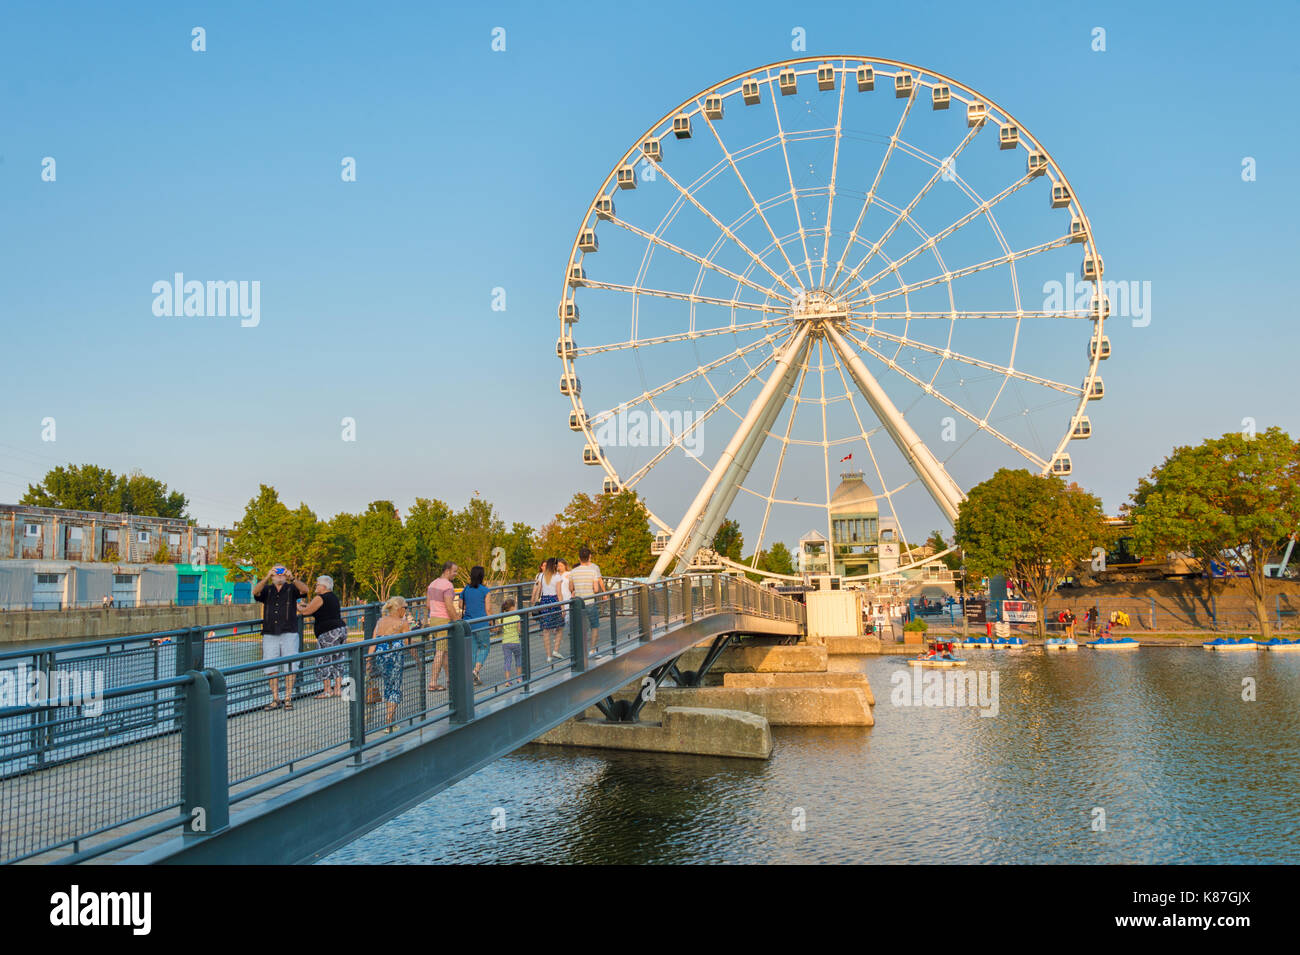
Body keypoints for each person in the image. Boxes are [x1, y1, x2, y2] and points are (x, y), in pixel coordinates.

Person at [253, 564, 309, 710]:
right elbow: (255, 592)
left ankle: (288, 698)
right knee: (270, 665)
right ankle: (275, 698)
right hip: (270, 632)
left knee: (291, 664)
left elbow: (305, 590)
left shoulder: (291, 588)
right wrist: (266, 576)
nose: (279, 575)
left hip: (289, 632)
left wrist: (293, 578)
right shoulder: (267, 589)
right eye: (276, 573)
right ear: (272, 576)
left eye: (281, 573)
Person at [369, 595, 419, 731]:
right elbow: (410, 644)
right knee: (395, 687)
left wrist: (368, 661)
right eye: (406, 607)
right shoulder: (402, 623)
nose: (407, 611)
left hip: (381, 658)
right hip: (395, 658)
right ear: (399, 608)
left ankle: (391, 720)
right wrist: (418, 661)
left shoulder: (380, 621)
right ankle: (389, 722)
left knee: (387, 685)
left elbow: (373, 642)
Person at [298, 575, 348, 697]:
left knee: (324, 660)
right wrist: (306, 605)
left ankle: (327, 691)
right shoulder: (333, 597)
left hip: (328, 632)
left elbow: (306, 612)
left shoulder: (320, 597)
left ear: (323, 586)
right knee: (337, 659)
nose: (315, 586)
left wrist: (295, 605)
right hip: (340, 630)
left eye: (317, 584)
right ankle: (337, 689)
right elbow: (317, 608)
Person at [426, 562, 460, 691]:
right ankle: (433, 682)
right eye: (454, 571)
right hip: (443, 620)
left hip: (433, 619)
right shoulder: (448, 586)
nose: (455, 574)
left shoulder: (432, 584)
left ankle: (450, 679)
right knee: (440, 652)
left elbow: (428, 605)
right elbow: (449, 605)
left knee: (444, 651)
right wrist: (457, 620)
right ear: (447, 571)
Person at [567, 546, 605, 658]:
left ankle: (580, 651)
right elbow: (596, 589)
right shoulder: (593, 571)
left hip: (578, 603)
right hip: (590, 602)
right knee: (594, 625)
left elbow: (571, 588)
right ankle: (592, 650)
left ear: (579, 558)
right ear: (589, 557)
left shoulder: (573, 572)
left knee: (580, 627)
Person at [461, 565, 492, 686]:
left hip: (469, 623)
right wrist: (493, 622)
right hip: (482, 623)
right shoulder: (485, 590)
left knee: (473, 651)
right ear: (482, 576)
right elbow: (488, 609)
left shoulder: (466, 589)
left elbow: (460, 605)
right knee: (485, 647)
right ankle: (475, 671)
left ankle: (472, 677)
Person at [532, 557, 565, 662]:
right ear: (554, 565)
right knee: (559, 627)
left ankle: (549, 655)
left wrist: (535, 603)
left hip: (544, 602)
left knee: (546, 630)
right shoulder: (557, 577)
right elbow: (559, 594)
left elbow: (539, 590)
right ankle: (555, 650)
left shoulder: (541, 575)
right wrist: (563, 608)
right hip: (554, 601)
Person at [496, 597, 522, 685]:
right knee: (518, 659)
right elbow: (519, 630)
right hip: (515, 641)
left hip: (506, 643)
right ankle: (519, 679)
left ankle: (507, 681)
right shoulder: (517, 617)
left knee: (507, 661)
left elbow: (497, 629)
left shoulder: (501, 618)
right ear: (512, 607)